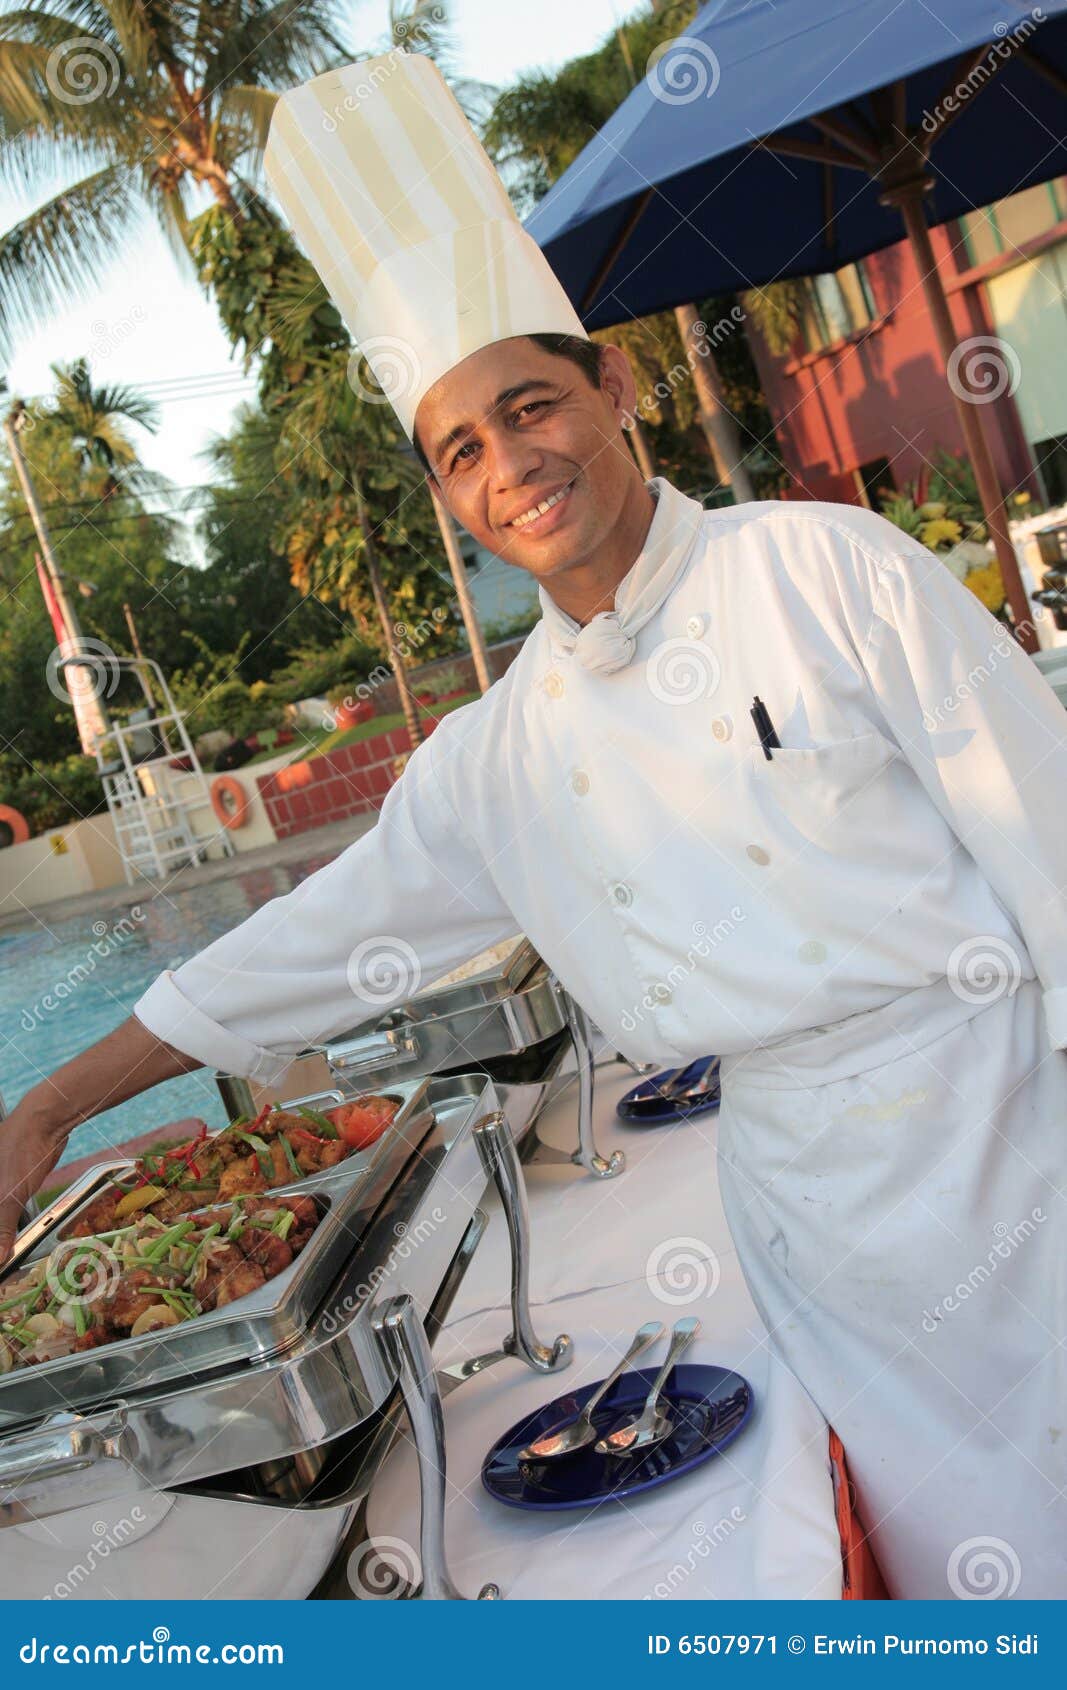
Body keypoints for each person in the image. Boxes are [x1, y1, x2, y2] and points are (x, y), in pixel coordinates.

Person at [3, 54, 1066, 1601]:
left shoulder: (828, 569)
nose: (513, 467)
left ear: (614, 390)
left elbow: (1050, 833)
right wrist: (49, 1106)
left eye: (531, 406)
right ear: (447, 493)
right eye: (463, 449)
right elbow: (296, 949)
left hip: (1010, 1144)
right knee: (970, 1573)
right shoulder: (493, 760)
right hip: (809, 1216)